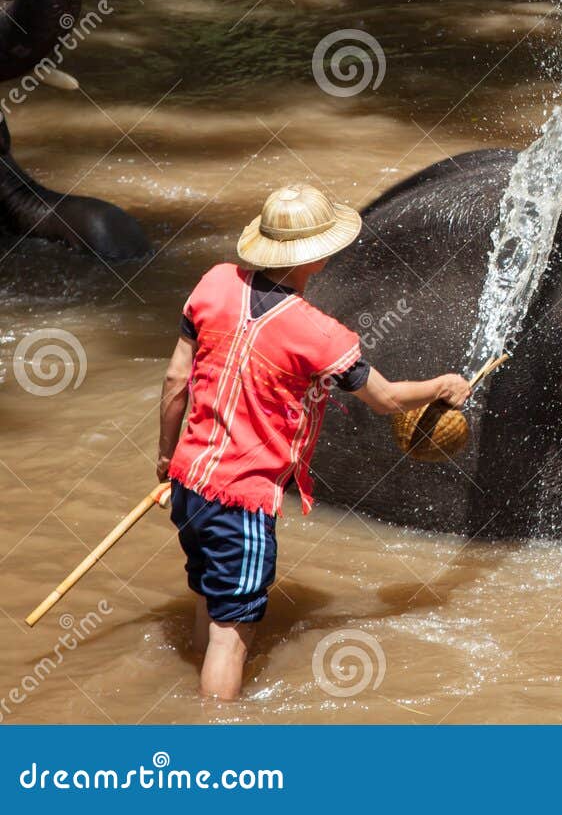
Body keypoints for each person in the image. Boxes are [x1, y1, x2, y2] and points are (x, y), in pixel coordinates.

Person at [155, 183, 470, 700]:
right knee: (233, 635)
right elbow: (387, 399)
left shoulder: (212, 284)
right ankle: (213, 735)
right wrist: (442, 386)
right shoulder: (320, 335)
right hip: (243, 498)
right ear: (317, 258)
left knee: (211, 601)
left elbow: (175, 381)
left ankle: (194, 686)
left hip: (189, 481)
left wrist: (166, 459)